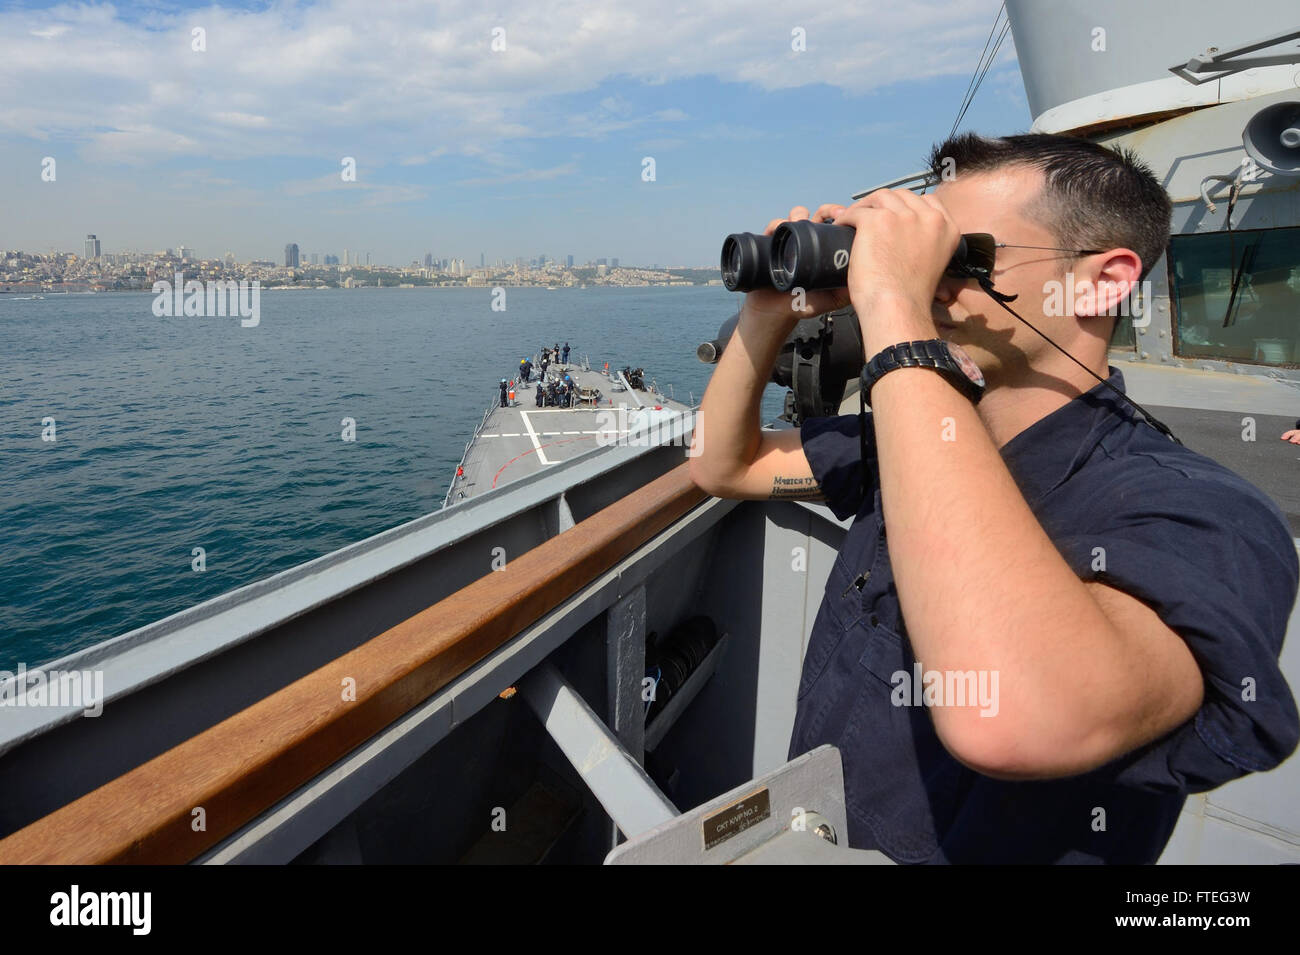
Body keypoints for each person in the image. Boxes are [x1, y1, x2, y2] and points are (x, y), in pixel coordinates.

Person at [688, 132, 1299, 864]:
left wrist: (895, 312)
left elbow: (1009, 720)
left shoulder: (1205, 516)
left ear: (1102, 282)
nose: (928, 281)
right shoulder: (907, 444)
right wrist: (769, 310)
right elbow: (725, 464)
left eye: (962, 256)